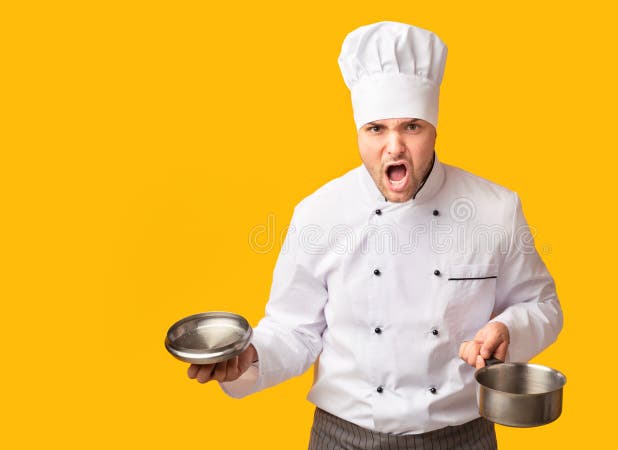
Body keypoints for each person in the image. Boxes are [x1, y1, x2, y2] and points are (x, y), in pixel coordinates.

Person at [186, 21, 563, 449]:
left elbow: (543, 305)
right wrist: (249, 356)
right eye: (376, 129)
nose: (394, 147)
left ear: (435, 128)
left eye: (411, 127)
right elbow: (294, 329)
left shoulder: (495, 208)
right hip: (342, 438)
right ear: (359, 133)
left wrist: (509, 328)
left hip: (462, 438)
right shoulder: (319, 213)